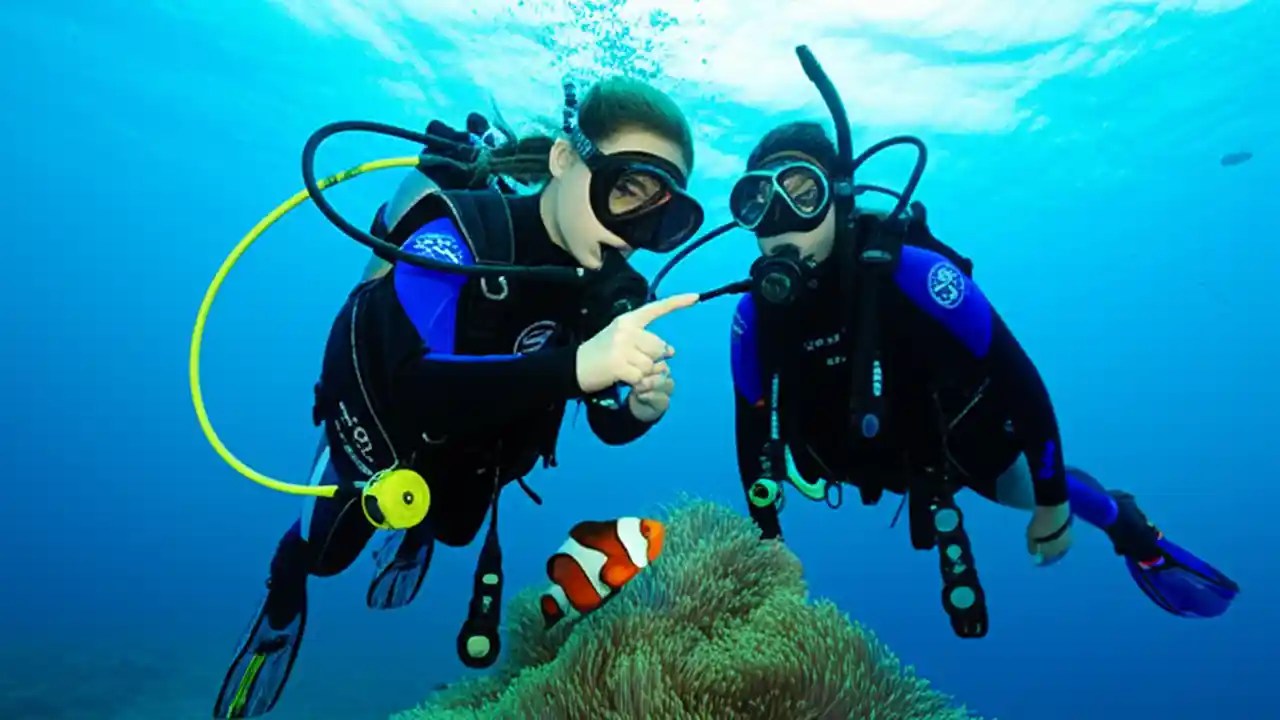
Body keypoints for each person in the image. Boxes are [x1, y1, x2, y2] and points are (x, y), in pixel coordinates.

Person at [212, 76, 705, 719]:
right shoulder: (457, 234)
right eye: (625, 188)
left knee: (455, 527)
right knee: (325, 557)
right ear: (563, 158)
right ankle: (282, 601)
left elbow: (601, 415)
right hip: (383, 448)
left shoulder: (610, 289)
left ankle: (416, 535)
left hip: (478, 467)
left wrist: (634, 412)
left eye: (659, 212)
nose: (634, 227)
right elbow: (414, 391)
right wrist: (577, 366)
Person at [725, 120, 1240, 638]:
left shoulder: (917, 275)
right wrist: (768, 537)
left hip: (959, 447)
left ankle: (1129, 528)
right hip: (851, 457)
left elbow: (1021, 383)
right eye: (757, 202)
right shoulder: (754, 317)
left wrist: (1054, 504)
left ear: (839, 195)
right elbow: (749, 426)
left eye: (801, 193)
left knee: (1034, 492)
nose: (779, 221)